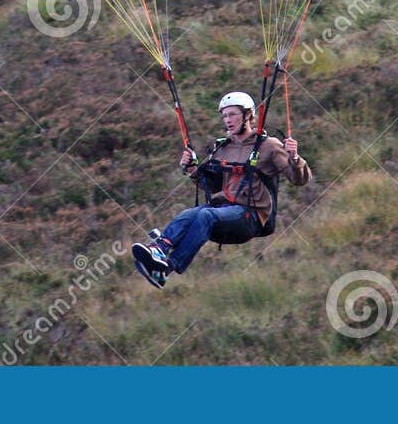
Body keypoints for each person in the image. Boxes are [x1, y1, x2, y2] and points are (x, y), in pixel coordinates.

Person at [133, 90, 312, 287]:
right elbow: (210, 186)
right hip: (223, 212)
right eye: (224, 115)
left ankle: (169, 266)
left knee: (205, 215)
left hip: (250, 217)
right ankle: (158, 249)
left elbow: (299, 180)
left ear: (248, 115)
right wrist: (193, 170)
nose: (228, 119)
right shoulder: (222, 148)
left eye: (233, 114)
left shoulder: (269, 146)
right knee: (188, 214)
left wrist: (294, 158)